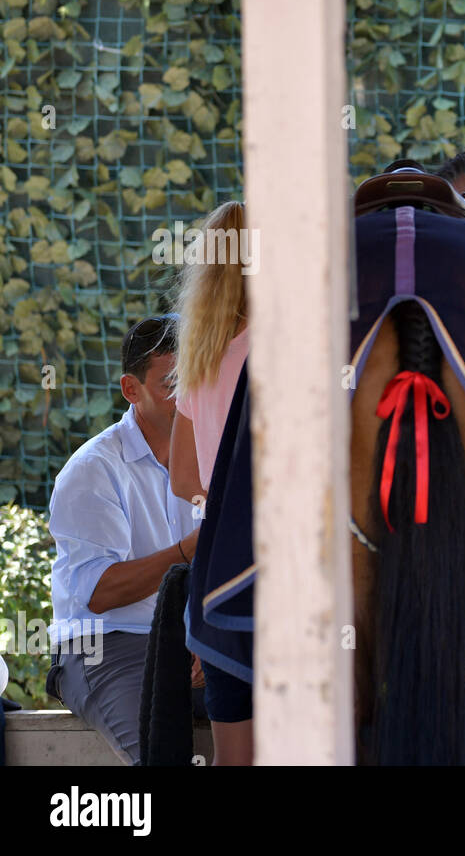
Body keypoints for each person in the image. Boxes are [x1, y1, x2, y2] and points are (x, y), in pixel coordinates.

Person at [45, 315, 202, 765]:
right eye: (172, 383)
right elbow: (99, 593)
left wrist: (208, 638)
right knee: (161, 752)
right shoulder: (92, 469)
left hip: (190, 640)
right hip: (105, 642)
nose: (188, 397)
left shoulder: (217, 455)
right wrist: (188, 550)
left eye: (196, 378)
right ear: (131, 390)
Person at [168, 200, 253, 766]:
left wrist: (220, 507)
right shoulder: (292, 345)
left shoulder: (198, 355)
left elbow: (183, 478)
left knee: (233, 757)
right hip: (283, 561)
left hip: (217, 568)